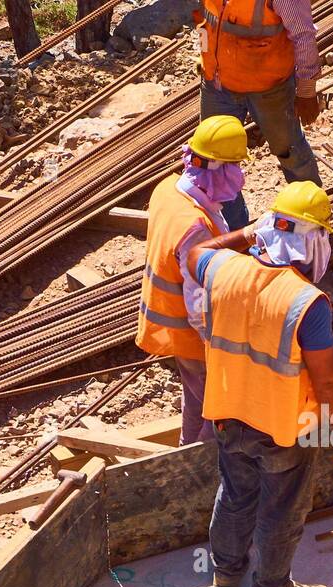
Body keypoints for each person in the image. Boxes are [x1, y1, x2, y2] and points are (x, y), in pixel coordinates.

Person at [186, 181, 333, 587]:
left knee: (235, 496)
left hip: (227, 415)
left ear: (269, 227)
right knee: (282, 510)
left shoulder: (223, 269)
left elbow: (194, 252)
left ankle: (226, 575)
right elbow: (328, 383)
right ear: (315, 241)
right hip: (284, 429)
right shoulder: (306, 302)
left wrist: (246, 235)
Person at [139, 116, 248, 445]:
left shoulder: (167, 189)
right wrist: (221, 346)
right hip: (194, 333)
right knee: (216, 407)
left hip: (171, 319)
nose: (239, 174)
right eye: (234, 166)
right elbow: (199, 302)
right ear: (220, 168)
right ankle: (202, 464)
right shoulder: (195, 227)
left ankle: (187, 449)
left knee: (197, 398)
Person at [195, 0, 325, 230]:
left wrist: (306, 91)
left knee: (290, 152)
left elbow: (303, 35)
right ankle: (232, 232)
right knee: (213, 160)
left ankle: (311, 220)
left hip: (270, 89)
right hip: (218, 82)